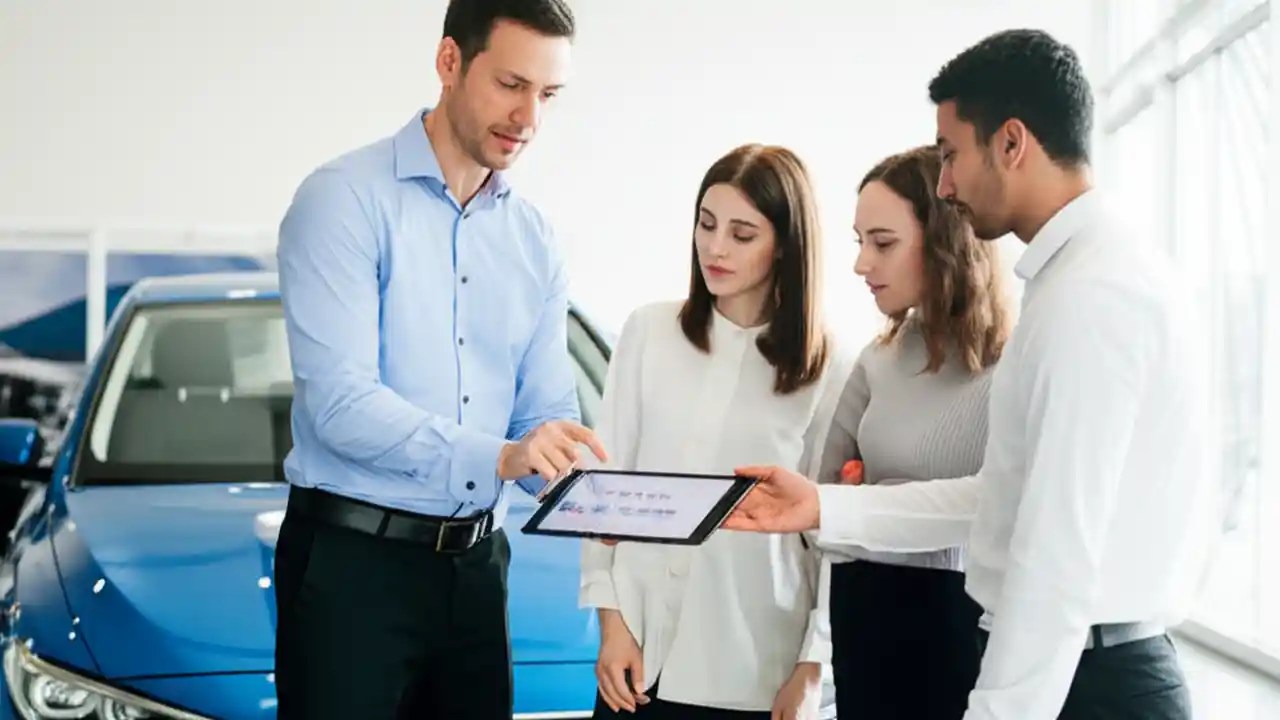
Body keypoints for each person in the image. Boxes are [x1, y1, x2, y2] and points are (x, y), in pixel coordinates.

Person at [725, 29, 1216, 720]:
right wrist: (826, 505)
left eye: (952, 153)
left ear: (1011, 143)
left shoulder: (1090, 296)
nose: (945, 183)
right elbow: (1002, 496)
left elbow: (1057, 553)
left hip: (1090, 681)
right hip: (1078, 669)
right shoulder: (1076, 278)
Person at [272, 2, 606, 718]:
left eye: (548, 95)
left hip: (479, 571)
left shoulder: (534, 240)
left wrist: (608, 493)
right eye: (511, 84)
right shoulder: (343, 201)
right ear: (449, 61)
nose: (529, 118)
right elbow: (340, 405)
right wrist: (504, 457)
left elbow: (546, 415)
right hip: (353, 567)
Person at [579, 144, 847, 720]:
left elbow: (832, 534)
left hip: (752, 669)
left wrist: (812, 666)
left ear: (786, 245)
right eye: (706, 224)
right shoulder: (649, 331)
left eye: (742, 234)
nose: (715, 247)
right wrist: (612, 621)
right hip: (636, 664)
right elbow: (605, 485)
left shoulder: (831, 367)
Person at [807, 144, 1011, 719]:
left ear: (945, 242)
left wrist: (869, 501)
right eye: (860, 241)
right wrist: (853, 508)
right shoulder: (878, 359)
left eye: (883, 243)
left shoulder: (1017, 364)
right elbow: (819, 509)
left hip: (969, 629)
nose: (861, 264)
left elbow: (1013, 514)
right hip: (867, 619)